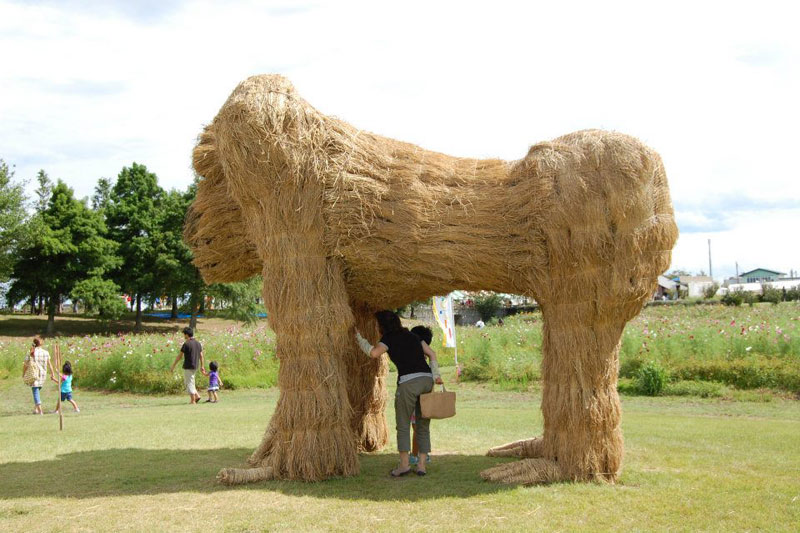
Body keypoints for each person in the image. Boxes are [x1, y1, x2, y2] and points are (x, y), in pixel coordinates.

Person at [355, 311, 443, 477]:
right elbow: (432, 354)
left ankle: (404, 465)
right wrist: (436, 375)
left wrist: (359, 339)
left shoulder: (388, 338)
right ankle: (422, 466)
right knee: (422, 425)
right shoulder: (412, 335)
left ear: (381, 326)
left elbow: (373, 353)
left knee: (403, 425)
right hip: (426, 380)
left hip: (408, 383)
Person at [408, 325, 435, 466]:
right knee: (420, 428)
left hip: (416, 398)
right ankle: (419, 454)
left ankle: (416, 455)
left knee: (418, 428)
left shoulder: (415, 356)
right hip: (421, 398)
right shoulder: (426, 357)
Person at [170, 327, 205, 404]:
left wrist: (173, 365)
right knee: (190, 382)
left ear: (186, 334)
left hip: (188, 366)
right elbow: (201, 356)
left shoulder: (186, 344)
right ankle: (197, 396)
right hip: (195, 365)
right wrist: (202, 366)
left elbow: (180, 356)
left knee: (189, 383)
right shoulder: (198, 343)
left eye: (184, 334)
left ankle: (193, 400)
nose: (183, 336)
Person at [24, 336, 56, 415]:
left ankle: (40, 411)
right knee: (37, 390)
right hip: (43, 374)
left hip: (34, 374)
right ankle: (36, 409)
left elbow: (25, 364)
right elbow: (49, 364)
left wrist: (23, 373)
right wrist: (52, 373)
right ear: (41, 343)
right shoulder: (46, 352)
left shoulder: (31, 352)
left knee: (35, 391)